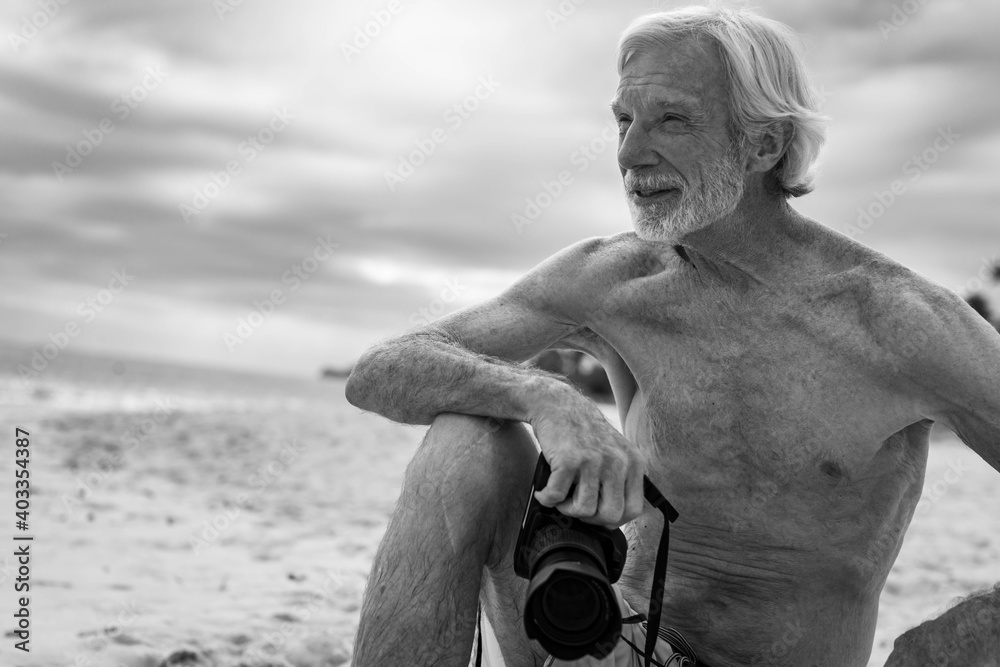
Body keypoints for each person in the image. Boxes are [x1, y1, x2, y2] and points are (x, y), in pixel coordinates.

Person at [346, 6, 1000, 666]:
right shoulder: (615, 280)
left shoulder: (898, 322)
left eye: (671, 119)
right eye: (624, 121)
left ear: (764, 144)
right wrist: (550, 399)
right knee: (468, 441)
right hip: (611, 647)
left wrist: (967, 632)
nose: (629, 154)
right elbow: (380, 370)